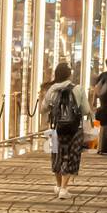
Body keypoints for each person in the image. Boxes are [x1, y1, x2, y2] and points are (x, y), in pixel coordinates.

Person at [42, 62, 89, 199]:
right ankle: (64, 188)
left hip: (56, 128)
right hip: (75, 128)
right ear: (69, 74)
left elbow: (43, 109)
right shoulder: (78, 89)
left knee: (57, 155)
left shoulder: (52, 89)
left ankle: (58, 186)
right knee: (70, 155)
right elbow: (85, 110)